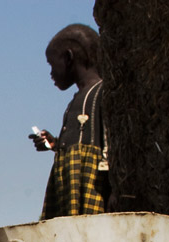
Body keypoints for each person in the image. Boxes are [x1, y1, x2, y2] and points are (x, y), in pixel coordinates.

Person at [30, 24, 111, 220]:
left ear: (68, 58)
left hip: (91, 185)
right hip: (69, 188)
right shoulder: (76, 100)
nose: (51, 73)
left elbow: (108, 142)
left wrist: (114, 189)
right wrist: (55, 145)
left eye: (52, 64)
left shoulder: (103, 92)